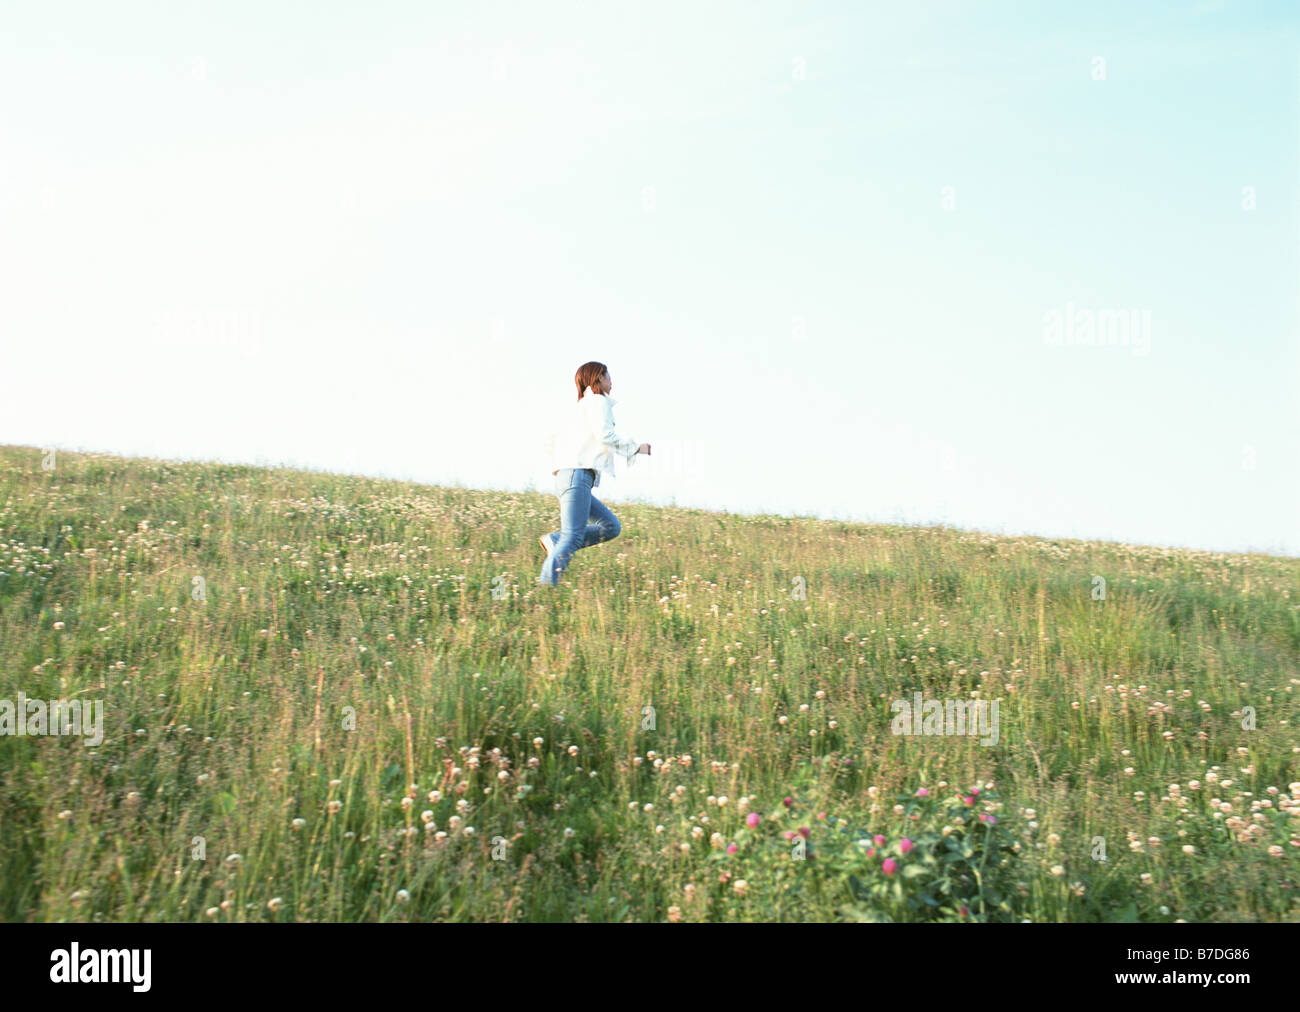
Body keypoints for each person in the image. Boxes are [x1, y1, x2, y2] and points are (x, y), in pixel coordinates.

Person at [539, 361, 650, 586]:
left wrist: (562, 467)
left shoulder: (578, 408)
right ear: (598, 378)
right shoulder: (598, 402)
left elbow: (550, 440)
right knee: (573, 536)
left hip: (569, 477)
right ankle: (546, 588)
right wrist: (635, 448)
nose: (611, 381)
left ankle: (555, 540)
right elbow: (605, 435)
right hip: (576, 476)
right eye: (608, 376)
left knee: (610, 526)